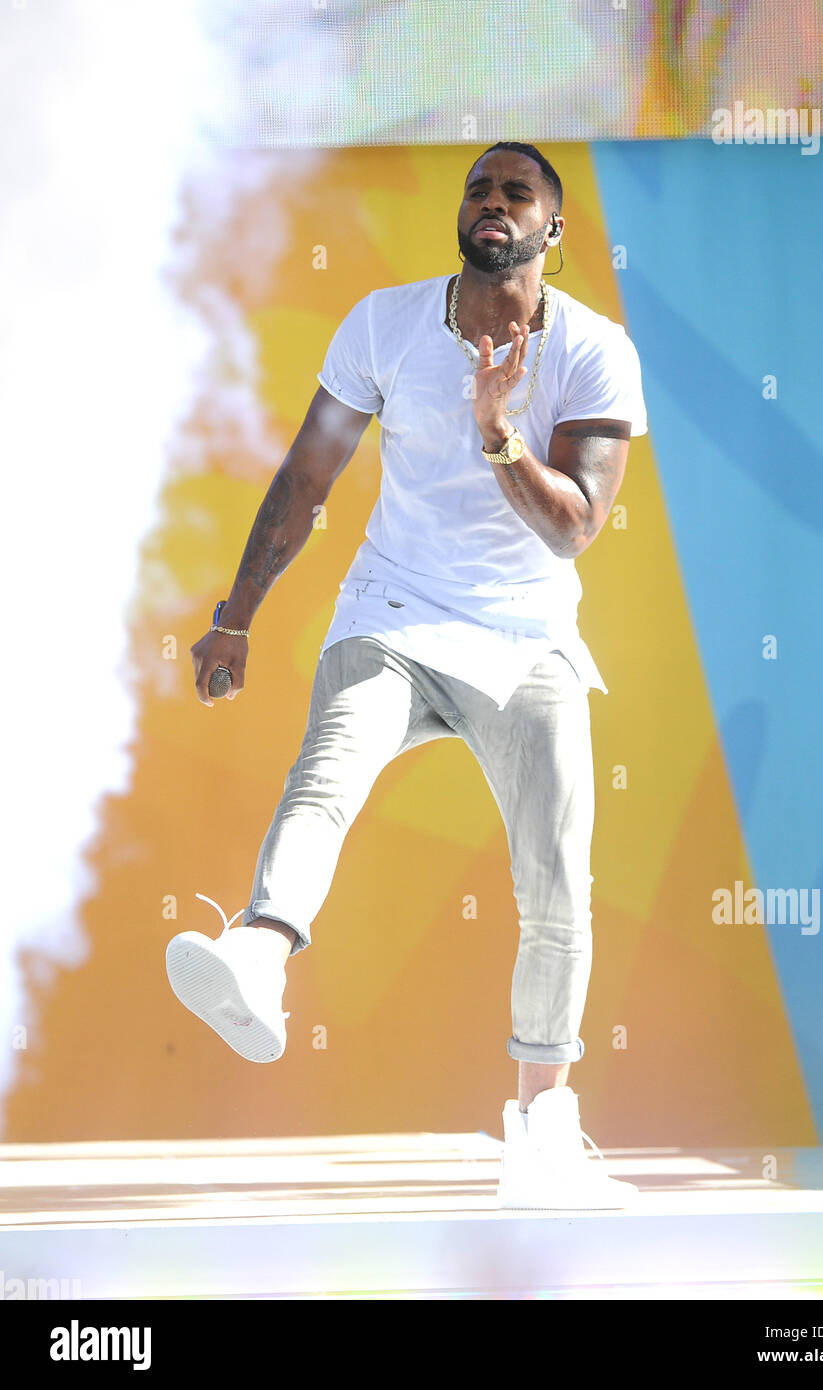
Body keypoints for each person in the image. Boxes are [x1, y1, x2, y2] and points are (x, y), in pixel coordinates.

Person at [167, 141, 648, 1210]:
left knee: (558, 881)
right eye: (479, 187)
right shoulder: (382, 324)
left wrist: (497, 438)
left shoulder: (598, 351)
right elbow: (307, 475)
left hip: (528, 639)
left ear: (550, 233)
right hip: (392, 610)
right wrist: (234, 618)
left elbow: (575, 528)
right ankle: (259, 953)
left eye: (517, 193)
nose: (493, 203)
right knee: (325, 775)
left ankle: (542, 1125)